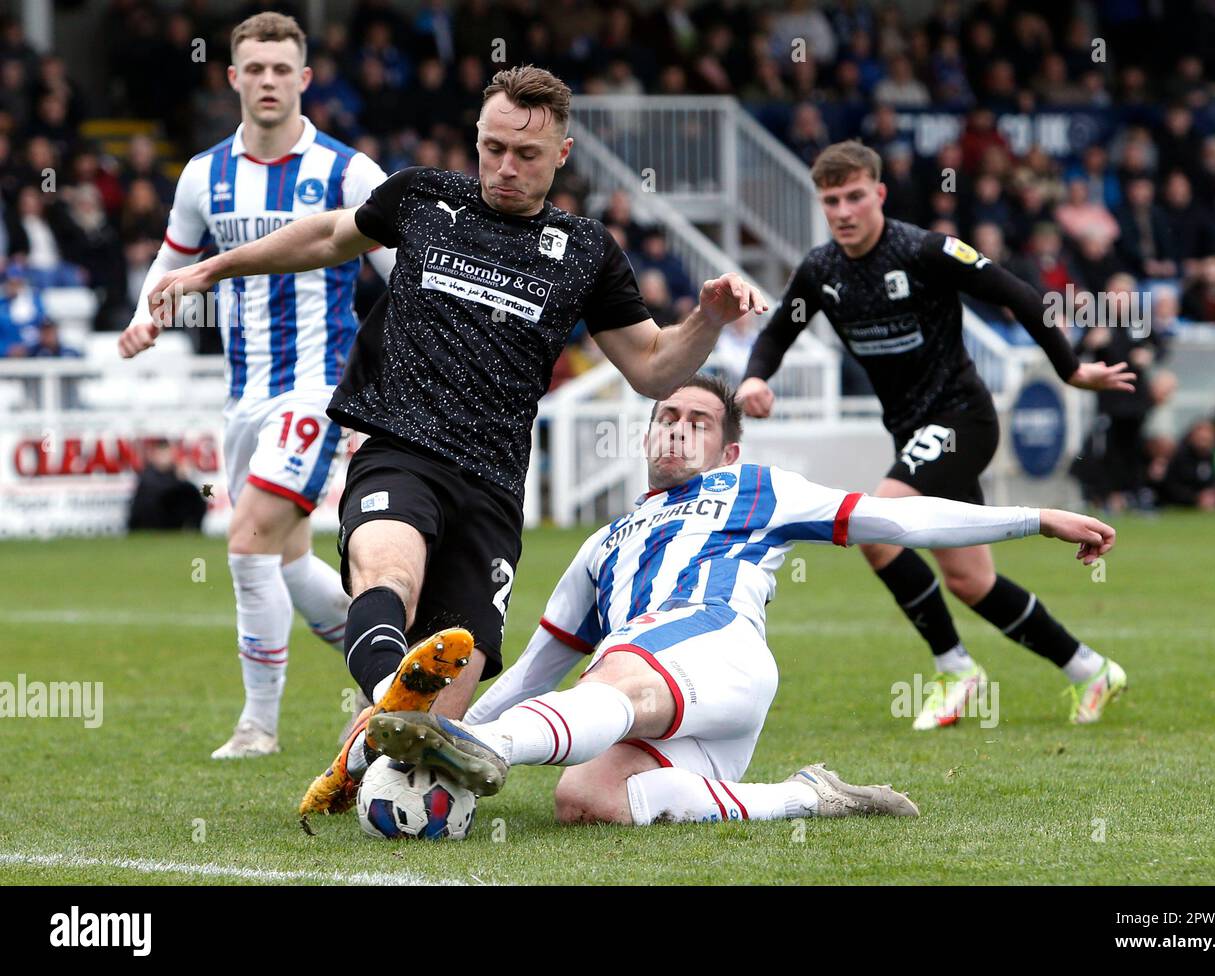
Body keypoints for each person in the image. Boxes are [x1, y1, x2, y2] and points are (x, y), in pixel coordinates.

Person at [145, 64, 768, 817]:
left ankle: (379, 736)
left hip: (494, 487)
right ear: (476, 138)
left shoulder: (584, 250)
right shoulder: (422, 196)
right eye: (492, 147)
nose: (505, 167)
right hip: (398, 447)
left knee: (443, 718)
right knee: (388, 572)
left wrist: (706, 318)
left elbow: (652, 367)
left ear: (563, 153)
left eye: (527, 155)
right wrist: (212, 265)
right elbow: (326, 236)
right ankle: (388, 696)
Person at [362, 376, 1118, 825]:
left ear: (727, 451)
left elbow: (900, 516)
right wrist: (418, 730)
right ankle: (804, 796)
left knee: (617, 666)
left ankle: (491, 756)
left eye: (699, 422)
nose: (679, 429)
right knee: (586, 800)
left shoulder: (757, 488)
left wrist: (1034, 518)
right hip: (669, 695)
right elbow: (530, 672)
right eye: (668, 418)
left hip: (714, 652)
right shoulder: (605, 544)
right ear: (649, 436)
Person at [736, 140, 1135, 729]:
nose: (843, 211)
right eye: (830, 202)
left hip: (961, 419)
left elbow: (1018, 294)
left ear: (879, 193)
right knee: (972, 581)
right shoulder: (821, 270)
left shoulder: (923, 250)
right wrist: (754, 380)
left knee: (876, 525)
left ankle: (956, 669)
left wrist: (1070, 369)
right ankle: (1090, 670)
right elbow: (776, 334)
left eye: (853, 197)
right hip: (911, 434)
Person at [118, 13, 396, 759]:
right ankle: (393, 679)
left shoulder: (349, 171)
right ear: (233, 77)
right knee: (288, 561)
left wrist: (399, 374)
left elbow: (407, 279)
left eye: (282, 69)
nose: (268, 80)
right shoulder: (203, 174)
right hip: (242, 397)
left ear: (305, 80)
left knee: (245, 544)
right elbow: (173, 259)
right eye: (255, 68)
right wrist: (148, 316)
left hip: (314, 389)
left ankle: (258, 727)